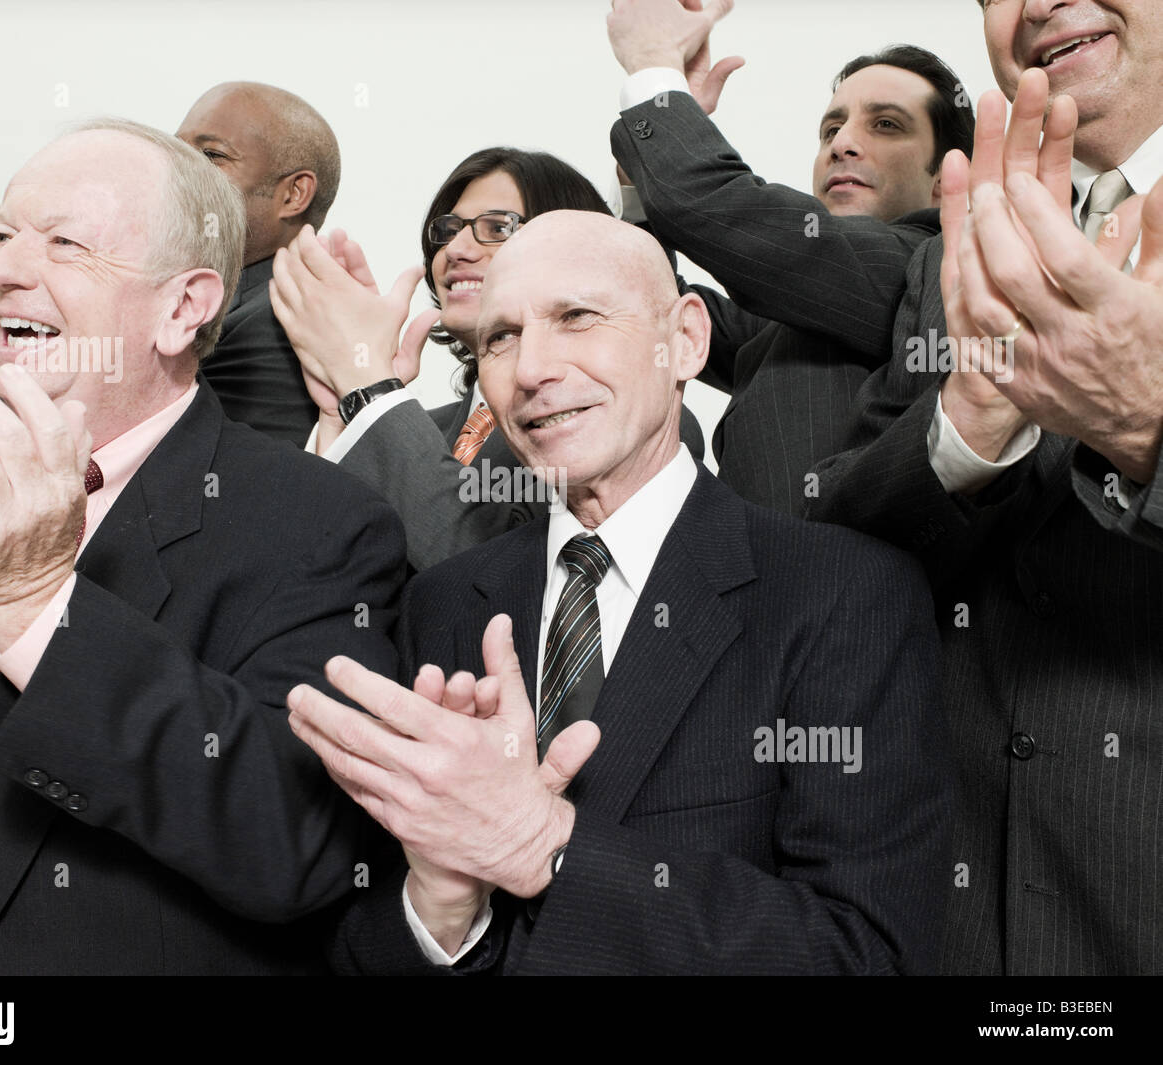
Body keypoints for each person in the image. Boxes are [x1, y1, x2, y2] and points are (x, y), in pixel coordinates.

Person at [287, 211, 953, 975]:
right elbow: (354, 944)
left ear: (688, 341)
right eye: (500, 337)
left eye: (577, 317)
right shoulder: (443, 602)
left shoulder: (842, 595)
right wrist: (443, 906)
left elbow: (867, 955)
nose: (531, 369)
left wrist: (549, 846)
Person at [0, 119, 404, 975]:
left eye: (65, 243)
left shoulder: (320, 524)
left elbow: (296, 841)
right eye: (2, 236)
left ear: (182, 308)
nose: (2, 268)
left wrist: (37, 610)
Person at [808, 0, 1163, 974]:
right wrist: (963, 429)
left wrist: (1145, 430)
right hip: (944, 928)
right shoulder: (950, 252)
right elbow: (839, 535)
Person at [608, 0, 973, 514]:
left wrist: (653, 69)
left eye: (886, 125)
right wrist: (643, 182)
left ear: (945, 182)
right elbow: (649, 313)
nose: (843, 144)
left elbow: (724, 206)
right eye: (830, 130)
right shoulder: (781, 316)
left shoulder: (920, 261)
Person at [271, 147, 704, 571]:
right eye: (449, 229)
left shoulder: (637, 414)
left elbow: (504, 572)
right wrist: (341, 414)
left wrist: (369, 388)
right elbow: (314, 573)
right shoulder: (416, 431)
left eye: (497, 228)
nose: (456, 248)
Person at [0, 80, 337, 444]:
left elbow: (149, 478)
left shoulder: (283, 321)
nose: (185, 171)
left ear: (293, 194)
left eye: (211, 155)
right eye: (4, 236)